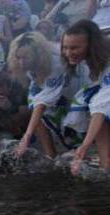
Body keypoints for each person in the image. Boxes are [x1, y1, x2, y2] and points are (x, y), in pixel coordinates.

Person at [11, 32, 84, 160]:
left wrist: (26, 137)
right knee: (36, 112)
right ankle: (51, 156)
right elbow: (37, 101)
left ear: (37, 54)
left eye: (25, 58)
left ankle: (84, 152)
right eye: (18, 58)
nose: (21, 63)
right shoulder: (29, 66)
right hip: (55, 91)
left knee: (75, 123)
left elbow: (43, 103)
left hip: (76, 88)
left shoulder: (55, 62)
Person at [61, 20, 110, 174]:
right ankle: (105, 165)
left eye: (74, 48)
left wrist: (85, 146)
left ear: (92, 45)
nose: (68, 53)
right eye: (65, 47)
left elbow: (101, 105)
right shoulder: (91, 61)